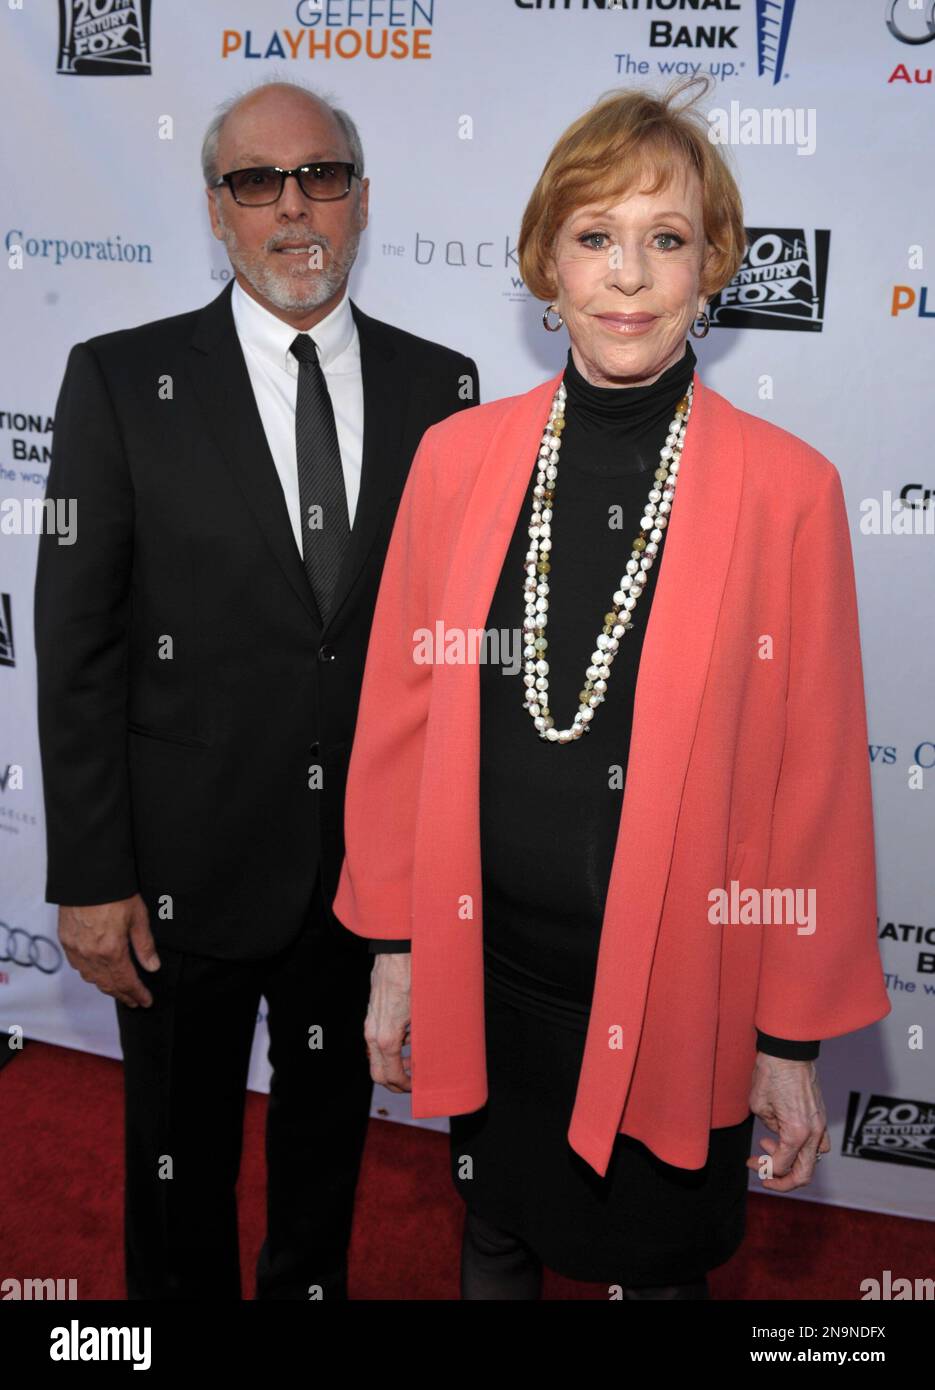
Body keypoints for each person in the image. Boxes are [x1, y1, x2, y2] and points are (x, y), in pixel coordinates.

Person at [332, 78, 891, 1300]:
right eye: (594, 237)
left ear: (712, 268)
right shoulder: (456, 458)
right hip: (495, 974)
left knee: (659, 1269)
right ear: (545, 264)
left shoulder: (786, 490)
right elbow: (401, 719)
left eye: (665, 239)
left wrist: (786, 1039)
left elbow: (812, 784)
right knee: (491, 1243)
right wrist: (396, 948)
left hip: (684, 990)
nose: (627, 276)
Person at [34, 77, 479, 1300]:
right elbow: (74, 647)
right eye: (256, 181)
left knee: (327, 1151)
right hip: (177, 872)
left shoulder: (441, 391)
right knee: (175, 1163)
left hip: (360, 878)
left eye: (321, 176)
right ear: (216, 208)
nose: (293, 207)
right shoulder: (120, 382)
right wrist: (89, 875)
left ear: (361, 199)